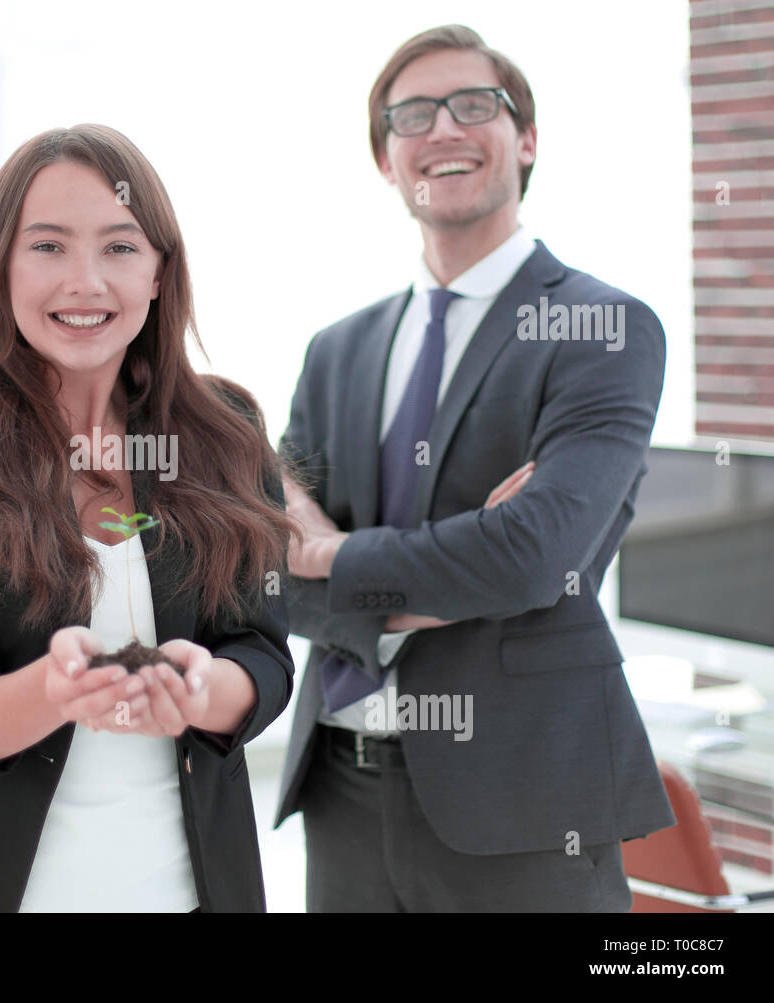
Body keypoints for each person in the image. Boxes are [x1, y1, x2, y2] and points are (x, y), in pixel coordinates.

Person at [275, 25, 675, 911]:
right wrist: (451, 565)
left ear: (525, 139)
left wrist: (334, 555)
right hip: (341, 788)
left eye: (474, 105)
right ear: (386, 157)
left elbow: (535, 556)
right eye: (412, 114)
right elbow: (264, 569)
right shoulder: (337, 348)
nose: (443, 128)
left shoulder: (602, 327)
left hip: (523, 800)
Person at [0, 123, 295, 912]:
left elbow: (261, 654)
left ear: (160, 272)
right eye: (48, 246)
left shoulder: (224, 428)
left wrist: (201, 691)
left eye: (120, 248)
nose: (85, 281)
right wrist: (57, 690)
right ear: (1, 267)